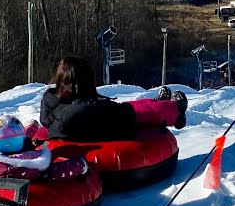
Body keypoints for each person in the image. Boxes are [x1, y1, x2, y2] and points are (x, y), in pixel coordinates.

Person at [39, 56, 187, 142]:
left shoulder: (51, 102)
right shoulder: (84, 109)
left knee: (129, 106)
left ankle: (155, 101)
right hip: (114, 123)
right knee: (146, 113)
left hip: (99, 116)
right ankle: (175, 109)